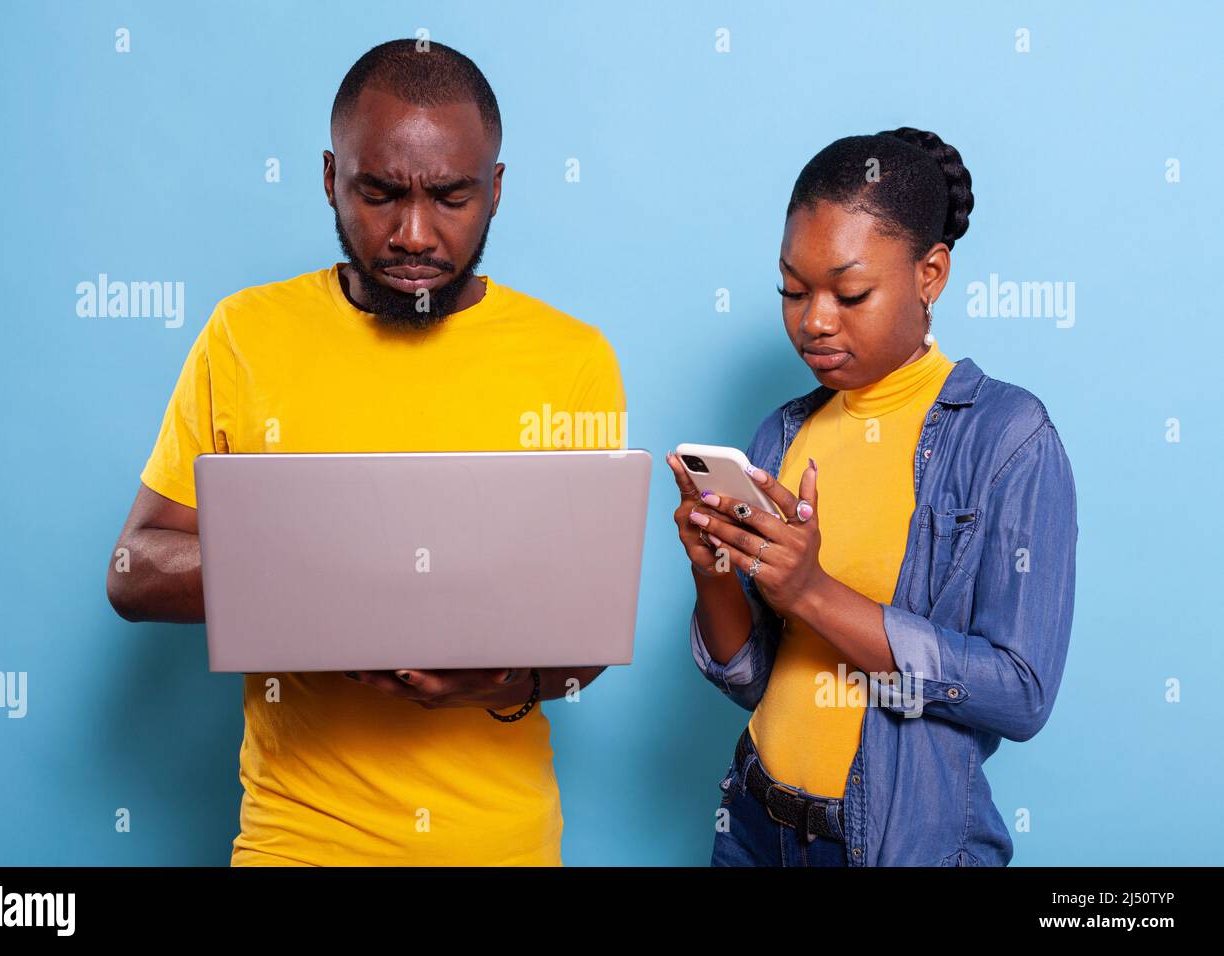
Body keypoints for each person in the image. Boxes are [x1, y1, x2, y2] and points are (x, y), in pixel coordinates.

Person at [106, 39, 625, 866]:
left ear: (494, 190)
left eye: (451, 197)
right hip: (296, 841)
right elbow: (133, 571)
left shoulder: (573, 361)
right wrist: (328, 582)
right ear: (329, 179)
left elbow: (586, 642)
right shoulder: (246, 334)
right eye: (379, 194)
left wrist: (499, 683)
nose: (413, 234)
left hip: (498, 843)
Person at [667, 128, 1077, 866]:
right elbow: (751, 676)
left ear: (931, 274)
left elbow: (1021, 692)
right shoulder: (784, 432)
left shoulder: (1007, 439)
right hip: (753, 829)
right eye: (793, 290)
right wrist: (713, 570)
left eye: (849, 292)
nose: (815, 318)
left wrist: (814, 592)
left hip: (894, 846)